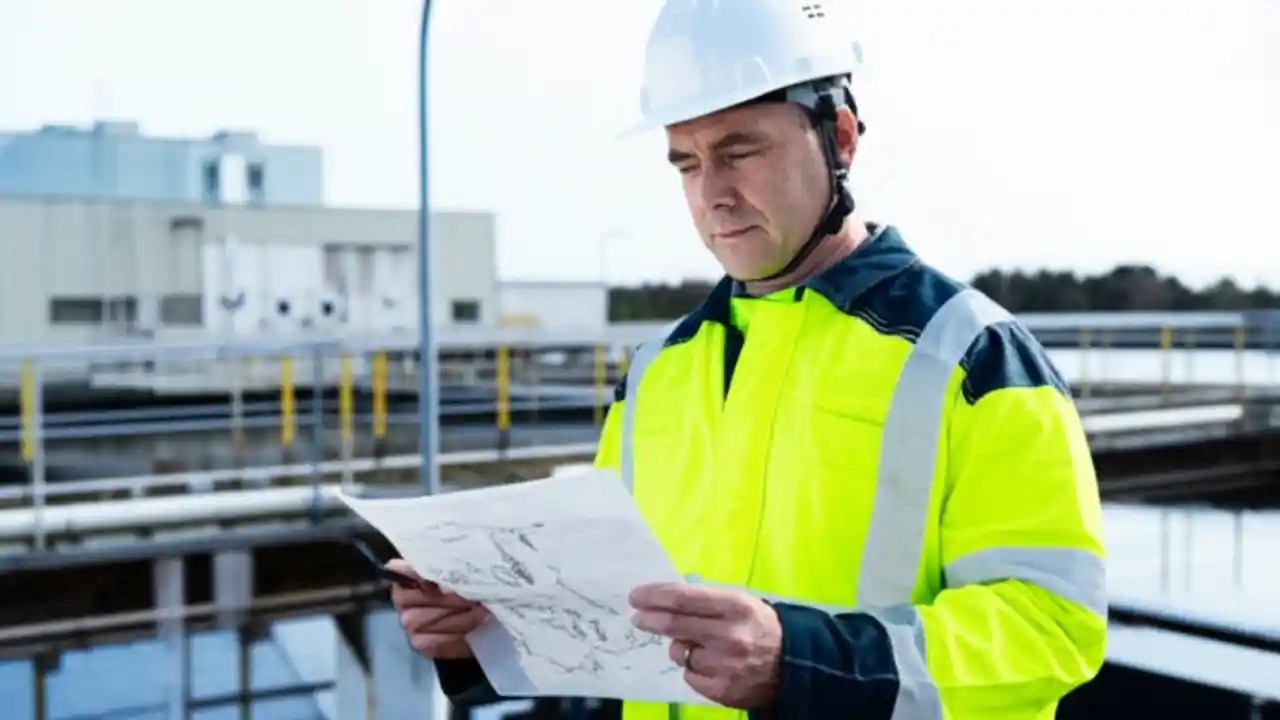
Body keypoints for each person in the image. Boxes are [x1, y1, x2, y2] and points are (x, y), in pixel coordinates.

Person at [389, 0, 1107, 717]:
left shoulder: (973, 356)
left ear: (843, 137)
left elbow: (1051, 629)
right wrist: (481, 634)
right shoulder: (655, 377)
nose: (713, 196)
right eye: (687, 163)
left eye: (739, 152)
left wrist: (799, 661)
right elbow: (607, 617)